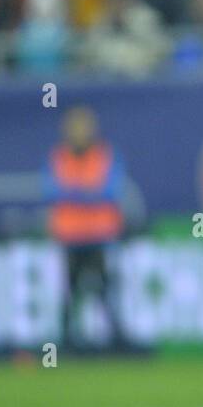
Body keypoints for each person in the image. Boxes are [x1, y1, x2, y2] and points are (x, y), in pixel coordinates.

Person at [44, 106, 126, 349]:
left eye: (84, 126)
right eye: (75, 126)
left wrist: (74, 192)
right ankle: (68, 341)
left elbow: (111, 190)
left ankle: (116, 340)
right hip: (70, 235)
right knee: (70, 292)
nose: (79, 132)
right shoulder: (58, 156)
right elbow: (51, 190)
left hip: (100, 235)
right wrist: (88, 193)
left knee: (104, 290)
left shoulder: (106, 155)